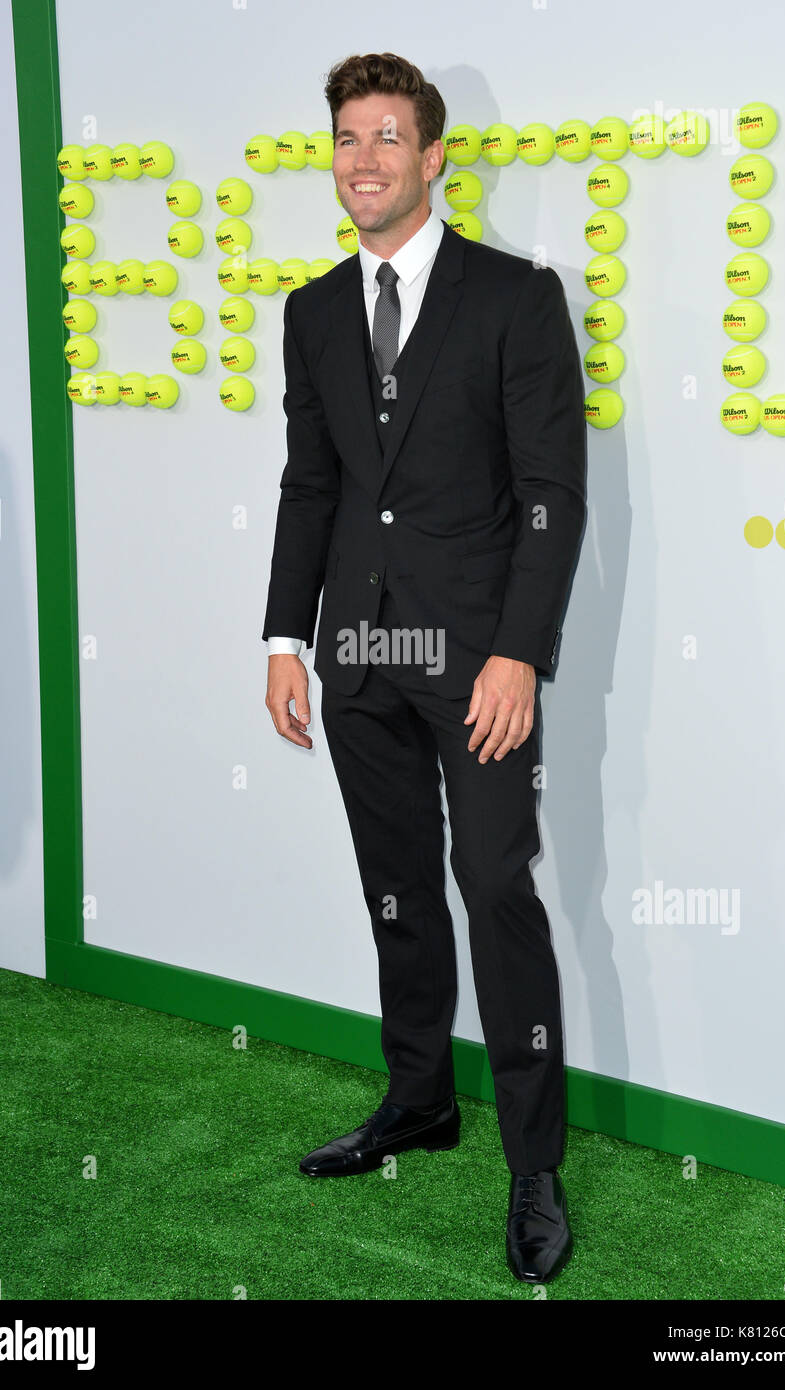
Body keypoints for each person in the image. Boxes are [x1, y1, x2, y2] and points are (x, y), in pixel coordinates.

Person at [263, 51, 587, 1284]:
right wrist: (286, 637)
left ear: (435, 157)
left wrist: (519, 655)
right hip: (359, 656)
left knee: (495, 887)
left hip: (479, 662)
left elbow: (553, 495)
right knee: (394, 880)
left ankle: (533, 1162)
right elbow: (313, 485)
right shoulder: (310, 311)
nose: (364, 159)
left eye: (388, 136)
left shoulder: (516, 297)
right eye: (347, 138)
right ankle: (418, 1099)